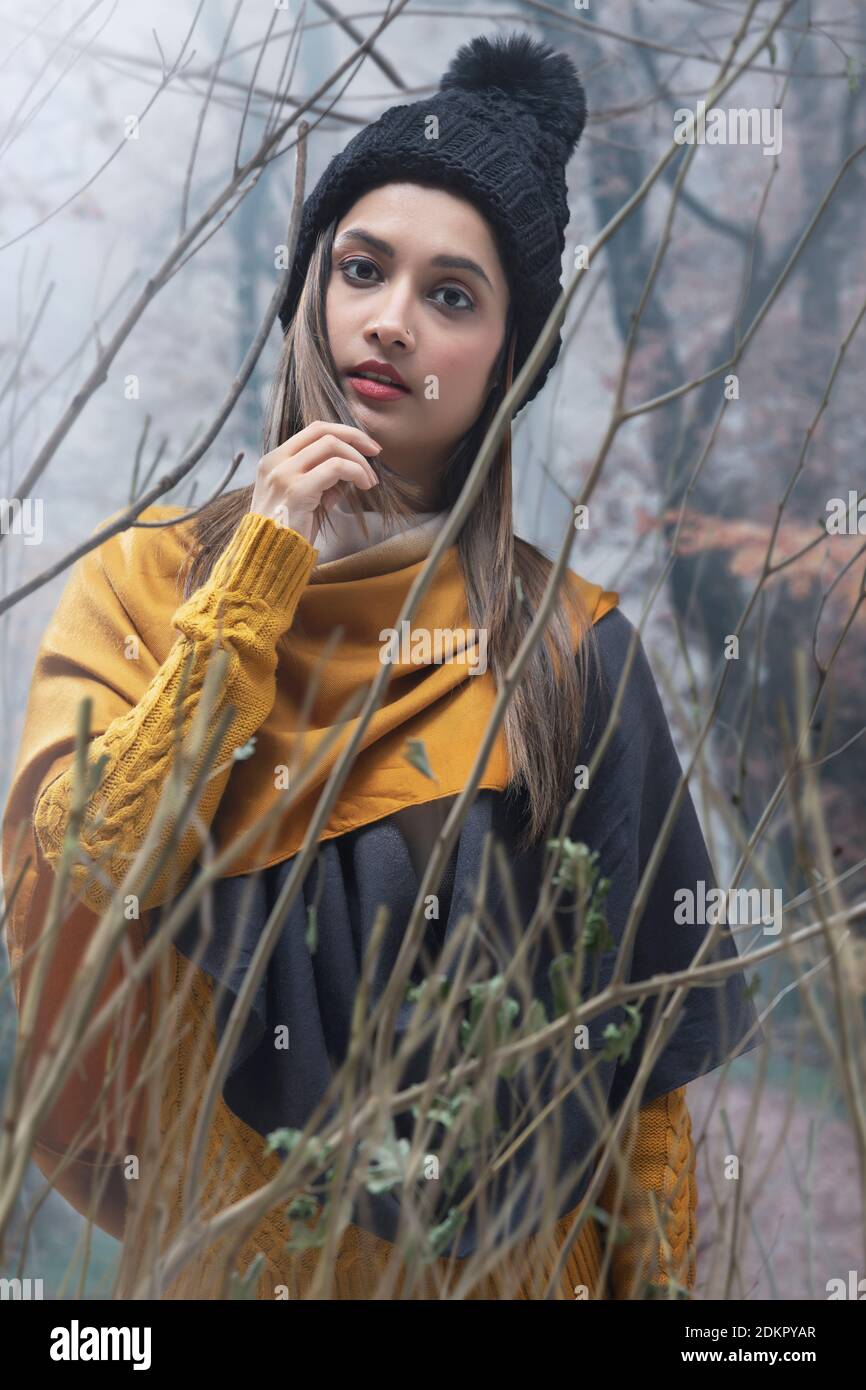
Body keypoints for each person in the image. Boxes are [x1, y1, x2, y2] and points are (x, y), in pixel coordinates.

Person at [2, 31, 760, 1300]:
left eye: (452, 295)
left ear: (508, 364)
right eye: (362, 268)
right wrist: (259, 572)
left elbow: (640, 1090)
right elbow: (87, 864)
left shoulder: (572, 651)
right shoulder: (142, 584)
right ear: (310, 285)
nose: (391, 320)